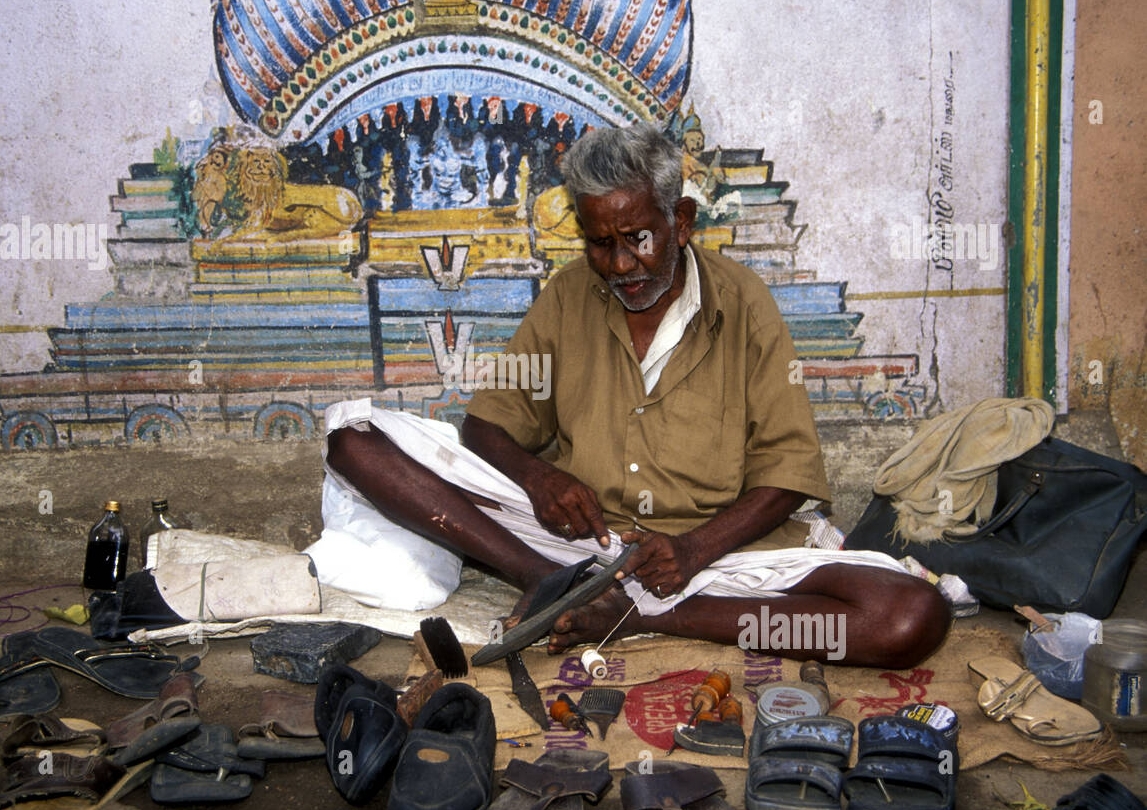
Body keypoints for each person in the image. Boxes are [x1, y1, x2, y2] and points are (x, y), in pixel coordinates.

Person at [325, 124, 948, 668]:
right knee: (354, 443)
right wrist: (540, 479)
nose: (621, 264)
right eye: (601, 243)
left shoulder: (743, 304)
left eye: (638, 239)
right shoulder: (569, 295)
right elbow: (487, 428)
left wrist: (694, 549)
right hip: (578, 546)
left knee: (908, 618)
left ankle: (642, 618)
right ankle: (555, 587)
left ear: (679, 221)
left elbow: (787, 476)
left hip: (708, 554)